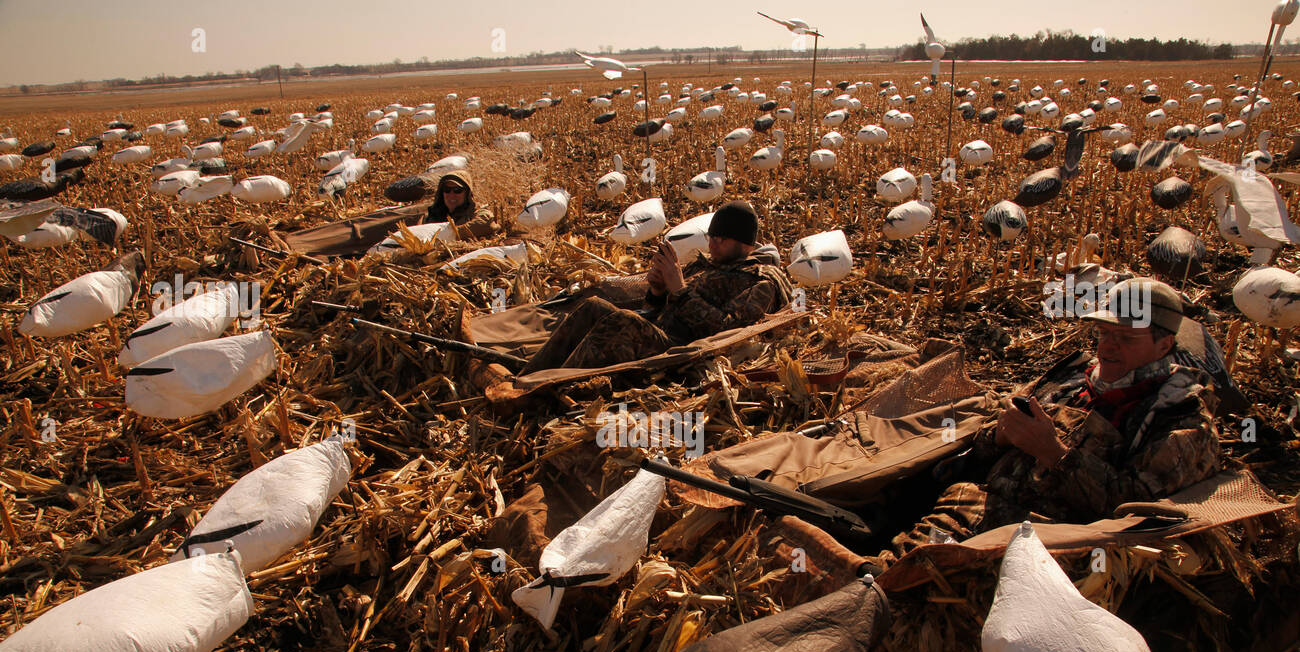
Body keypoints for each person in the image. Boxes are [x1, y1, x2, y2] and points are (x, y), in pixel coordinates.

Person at [879, 277, 1222, 562]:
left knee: (909, 574)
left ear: (1163, 347)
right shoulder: (1071, 377)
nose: (1107, 349)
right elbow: (985, 437)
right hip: (968, 507)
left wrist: (1055, 455)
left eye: (1125, 339)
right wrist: (999, 436)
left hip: (1040, 546)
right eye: (1104, 334)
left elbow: (1135, 512)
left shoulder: (1179, 416)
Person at [514, 200, 794, 372]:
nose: (711, 245)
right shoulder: (708, 265)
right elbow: (654, 309)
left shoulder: (760, 281)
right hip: (662, 332)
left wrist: (680, 291)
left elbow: (730, 332)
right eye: (711, 237)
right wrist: (658, 291)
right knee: (593, 307)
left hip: (685, 350)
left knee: (621, 323)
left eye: (720, 240)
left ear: (744, 243)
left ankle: (550, 386)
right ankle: (530, 376)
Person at [422, 170, 497, 239]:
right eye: (447, 190)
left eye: (457, 190)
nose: (451, 195)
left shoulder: (476, 212)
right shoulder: (431, 216)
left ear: (467, 194)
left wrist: (448, 234)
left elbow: (485, 224)